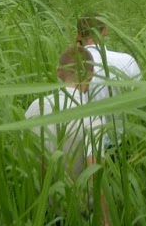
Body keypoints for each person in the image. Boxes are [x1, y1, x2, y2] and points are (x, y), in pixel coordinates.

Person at [23, 44, 106, 176]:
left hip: (34, 195)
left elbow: (21, 156)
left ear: (58, 72)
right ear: (91, 74)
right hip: (76, 194)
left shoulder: (35, 106)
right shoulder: (92, 117)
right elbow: (95, 174)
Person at [76, 14, 141, 142]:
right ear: (105, 31)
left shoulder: (72, 66)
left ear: (78, 35)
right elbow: (140, 101)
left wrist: (75, 51)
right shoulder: (127, 60)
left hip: (88, 146)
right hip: (125, 143)